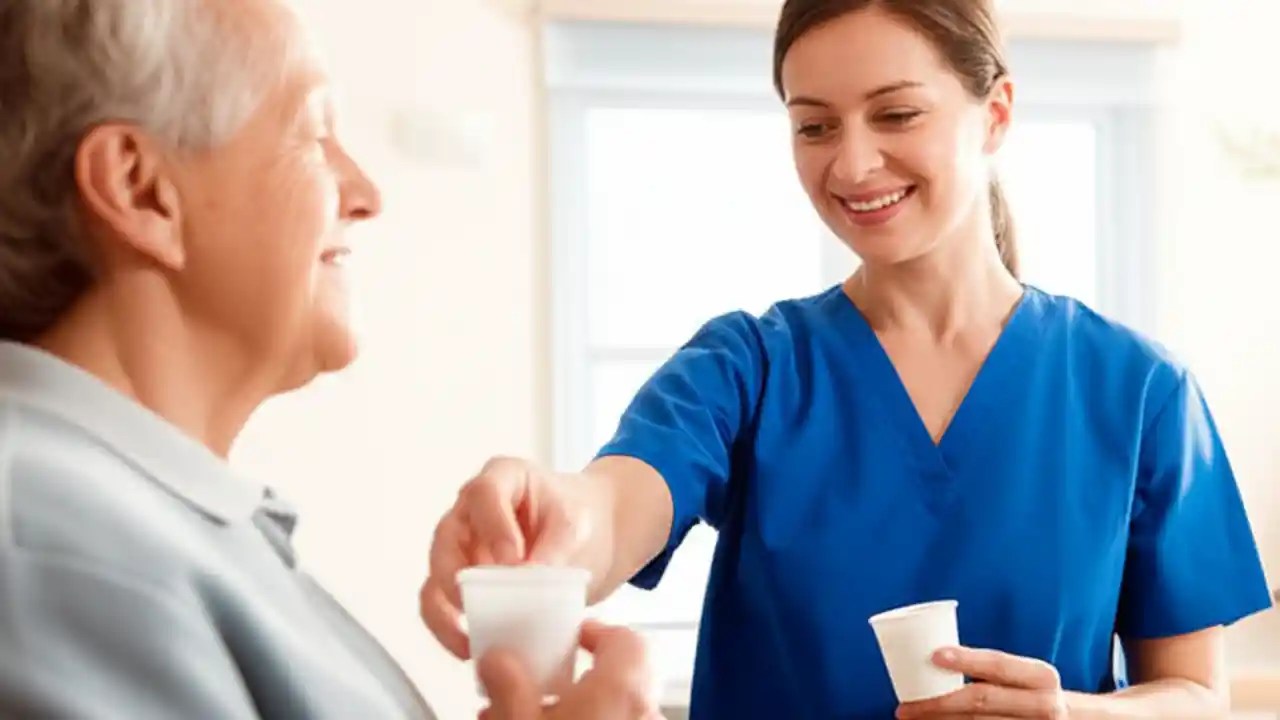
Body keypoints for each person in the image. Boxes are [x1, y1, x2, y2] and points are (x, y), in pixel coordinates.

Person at [422, 0, 1274, 718]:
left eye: (896, 114)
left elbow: (1198, 694)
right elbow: (615, 507)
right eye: (815, 126)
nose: (853, 163)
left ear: (996, 114)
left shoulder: (1138, 392)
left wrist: (1073, 715)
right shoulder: (748, 368)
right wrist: (549, 526)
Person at [0, 1, 657, 718]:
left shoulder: (148, 530)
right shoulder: (57, 543)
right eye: (314, 134)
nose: (367, 194)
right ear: (141, 189)